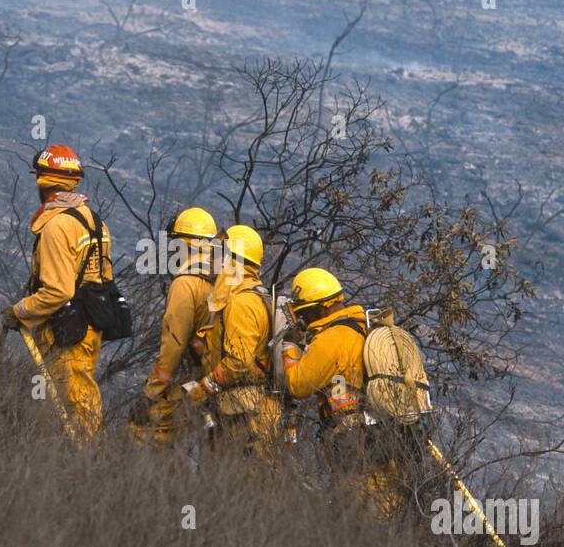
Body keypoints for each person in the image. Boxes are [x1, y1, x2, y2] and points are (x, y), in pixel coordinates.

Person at [282, 267, 425, 517]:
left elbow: (298, 385)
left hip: (358, 447)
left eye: (304, 311)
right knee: (387, 513)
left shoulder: (332, 338)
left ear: (322, 308)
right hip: (390, 440)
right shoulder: (366, 326)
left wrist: (290, 348)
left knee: (364, 521)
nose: (301, 319)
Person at [0, 144, 112, 439]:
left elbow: (58, 292)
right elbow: (104, 277)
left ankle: (85, 464)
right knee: (79, 396)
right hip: (90, 328)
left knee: (72, 407)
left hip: (67, 332)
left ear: (43, 182)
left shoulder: (56, 226)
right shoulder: (94, 221)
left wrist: (19, 311)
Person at [184, 225, 280, 454]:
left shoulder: (240, 303)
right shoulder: (257, 296)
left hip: (243, 408)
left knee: (245, 477)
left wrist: (205, 387)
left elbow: (239, 362)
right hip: (253, 405)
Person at [129, 207, 218, 445]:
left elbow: (173, 346)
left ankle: (157, 480)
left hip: (207, 379)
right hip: (220, 376)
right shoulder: (225, 275)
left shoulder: (186, 283)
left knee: (146, 426)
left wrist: (151, 394)